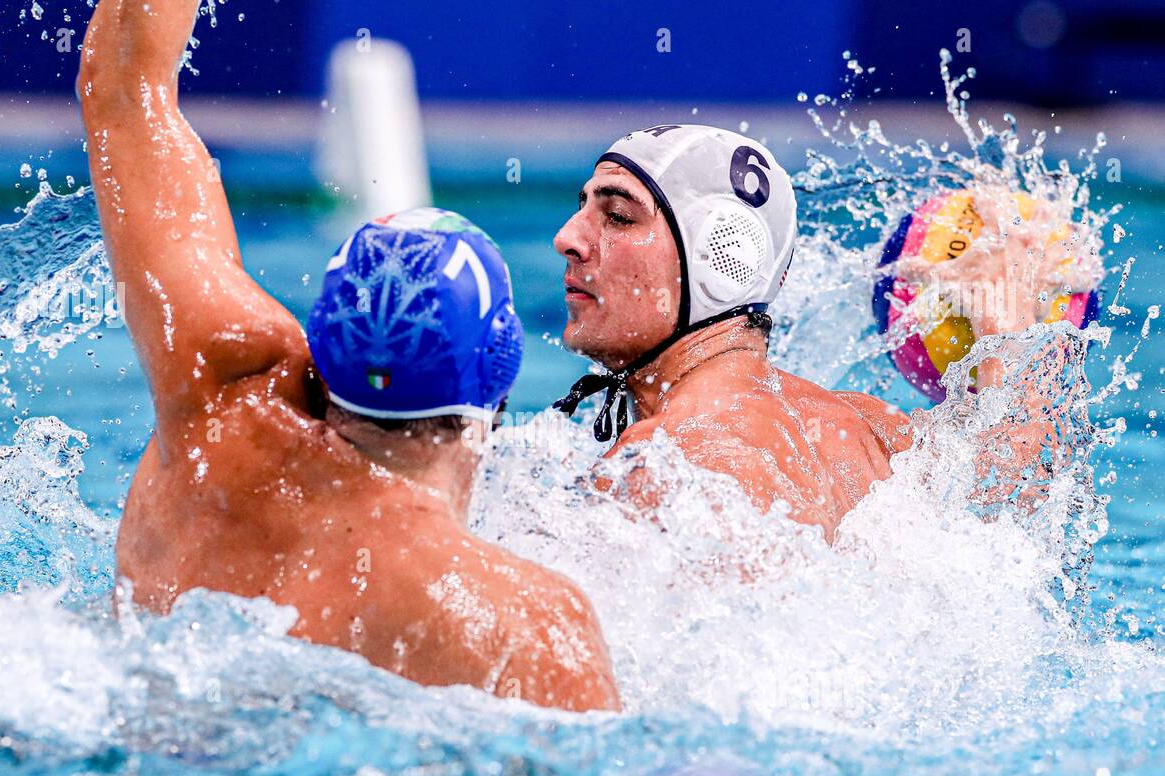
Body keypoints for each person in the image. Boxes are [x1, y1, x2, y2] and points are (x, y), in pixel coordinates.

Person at [77, 0, 619, 712]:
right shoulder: (526, 624)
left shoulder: (216, 390)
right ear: (499, 386)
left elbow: (120, 84)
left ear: (316, 349)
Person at [552, 124, 1072, 538]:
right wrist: (1006, 318)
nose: (568, 238)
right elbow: (1015, 471)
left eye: (617, 217)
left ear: (720, 258)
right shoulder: (868, 432)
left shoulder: (659, 467)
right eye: (582, 208)